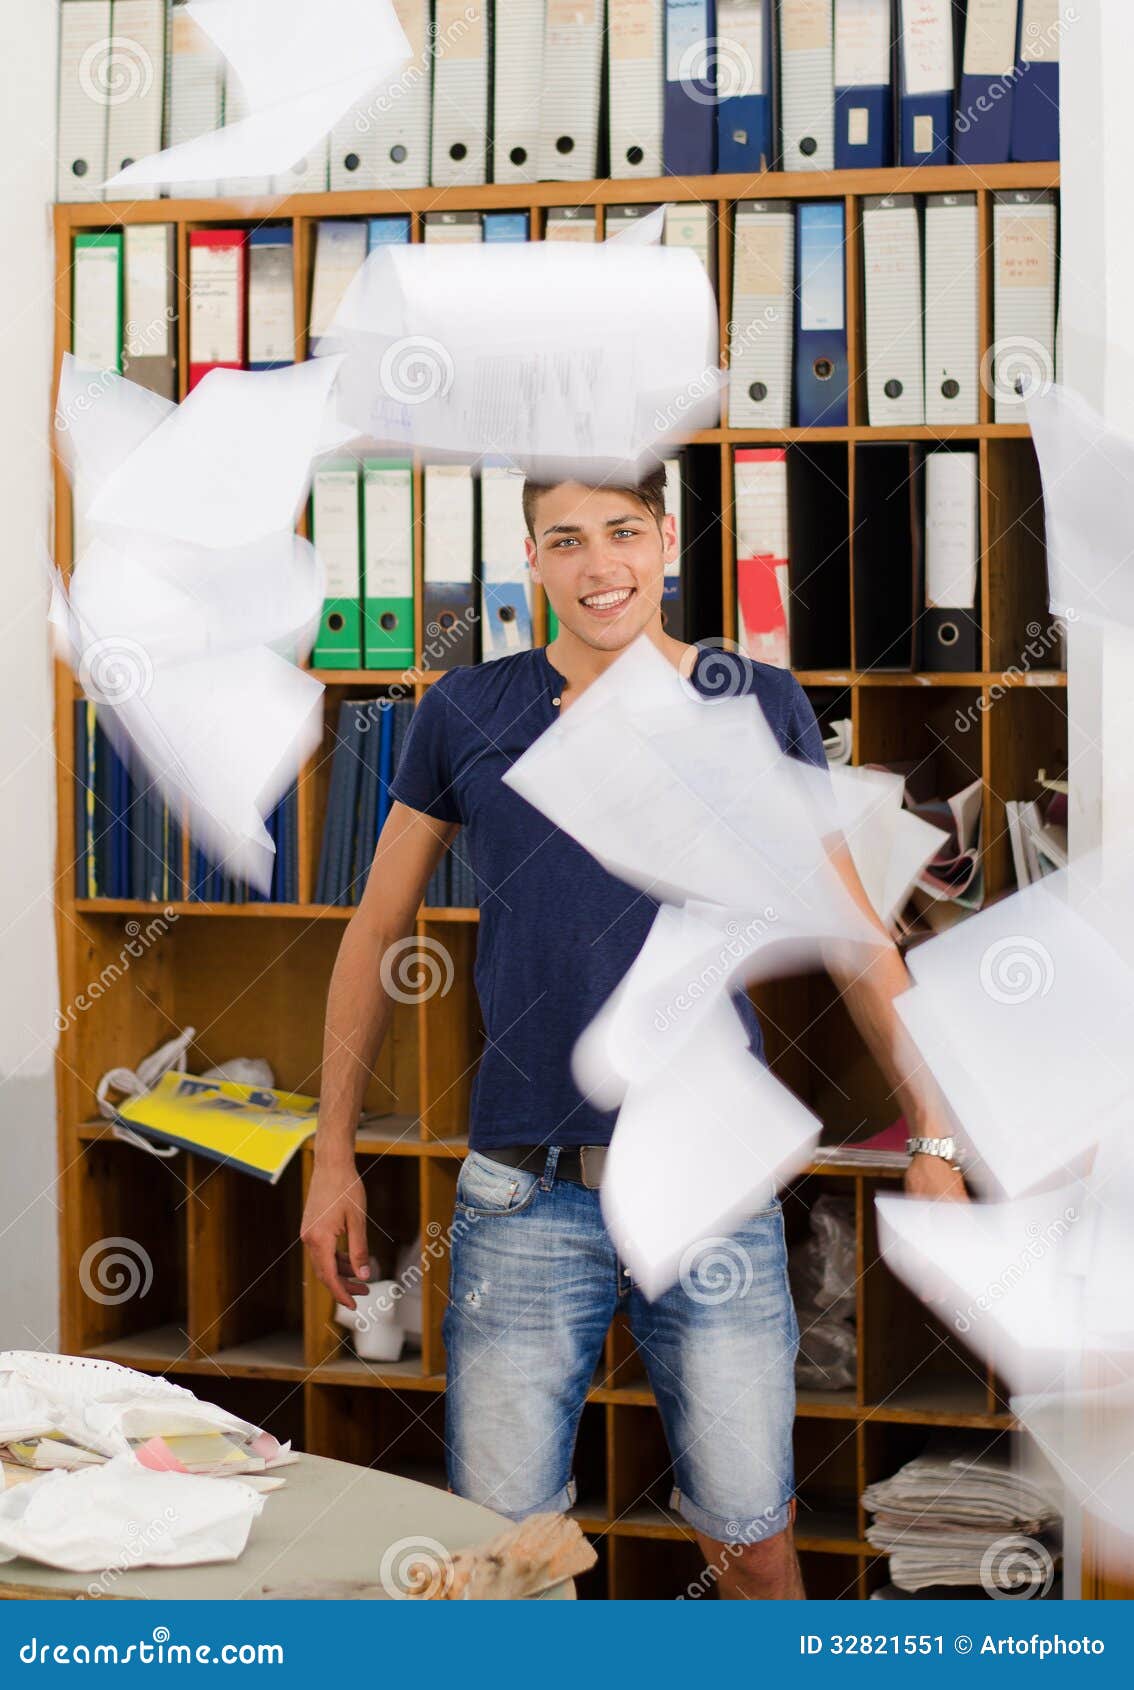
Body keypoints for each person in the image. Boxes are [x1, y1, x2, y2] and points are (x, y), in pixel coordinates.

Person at [301, 464, 965, 1600]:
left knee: (752, 1541)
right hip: (521, 1193)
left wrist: (938, 1139)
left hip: (710, 1189)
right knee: (506, 1563)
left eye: (620, 532)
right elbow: (371, 935)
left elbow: (857, 937)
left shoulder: (755, 702)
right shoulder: (469, 709)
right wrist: (331, 1156)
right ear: (533, 561)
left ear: (666, 539)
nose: (597, 564)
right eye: (565, 539)